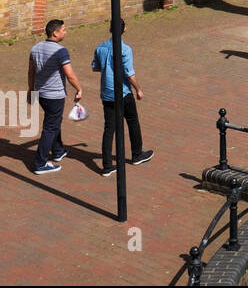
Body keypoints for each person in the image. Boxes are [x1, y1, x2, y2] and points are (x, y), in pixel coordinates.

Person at [92, 19, 153, 175]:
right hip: (123, 92)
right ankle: (137, 154)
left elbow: (95, 67)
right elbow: (129, 74)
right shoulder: (125, 49)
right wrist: (138, 89)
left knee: (109, 128)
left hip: (106, 93)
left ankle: (106, 165)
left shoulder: (100, 47)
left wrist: (108, 69)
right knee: (132, 121)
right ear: (124, 29)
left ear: (110, 29)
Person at [27, 19, 83, 175]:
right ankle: (40, 163)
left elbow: (31, 72)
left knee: (54, 120)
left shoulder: (35, 48)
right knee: (50, 127)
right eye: (63, 30)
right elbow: (70, 75)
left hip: (41, 94)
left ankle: (58, 150)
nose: (65, 32)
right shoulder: (61, 51)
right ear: (55, 32)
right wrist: (79, 89)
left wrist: (31, 89)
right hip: (55, 95)